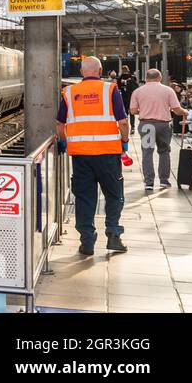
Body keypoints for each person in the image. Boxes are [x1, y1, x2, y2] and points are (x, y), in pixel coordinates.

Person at [57, 56, 130, 255]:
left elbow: (59, 125)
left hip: (80, 156)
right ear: (100, 71)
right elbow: (122, 121)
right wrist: (124, 141)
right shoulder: (110, 89)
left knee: (84, 197)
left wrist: (64, 142)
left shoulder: (69, 92)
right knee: (114, 195)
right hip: (108, 154)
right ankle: (113, 235)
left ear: (82, 72)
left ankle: (87, 242)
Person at [130, 68, 185, 191]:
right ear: (159, 78)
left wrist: (144, 111)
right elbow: (177, 109)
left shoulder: (138, 91)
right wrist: (185, 111)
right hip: (163, 125)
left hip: (146, 125)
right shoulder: (168, 90)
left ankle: (149, 183)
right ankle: (164, 181)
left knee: (147, 153)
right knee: (164, 151)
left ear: (147, 78)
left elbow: (133, 111)